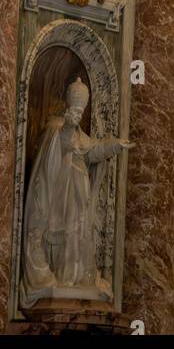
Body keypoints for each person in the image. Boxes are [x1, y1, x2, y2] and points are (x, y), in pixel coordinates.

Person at [21, 77, 131, 306]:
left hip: (80, 193)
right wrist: (68, 127)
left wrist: (115, 145)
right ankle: (63, 276)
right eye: (76, 108)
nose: (79, 113)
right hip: (61, 193)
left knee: (79, 232)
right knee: (67, 231)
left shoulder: (81, 135)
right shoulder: (55, 128)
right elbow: (54, 150)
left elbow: (93, 151)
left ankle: (76, 277)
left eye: (82, 109)